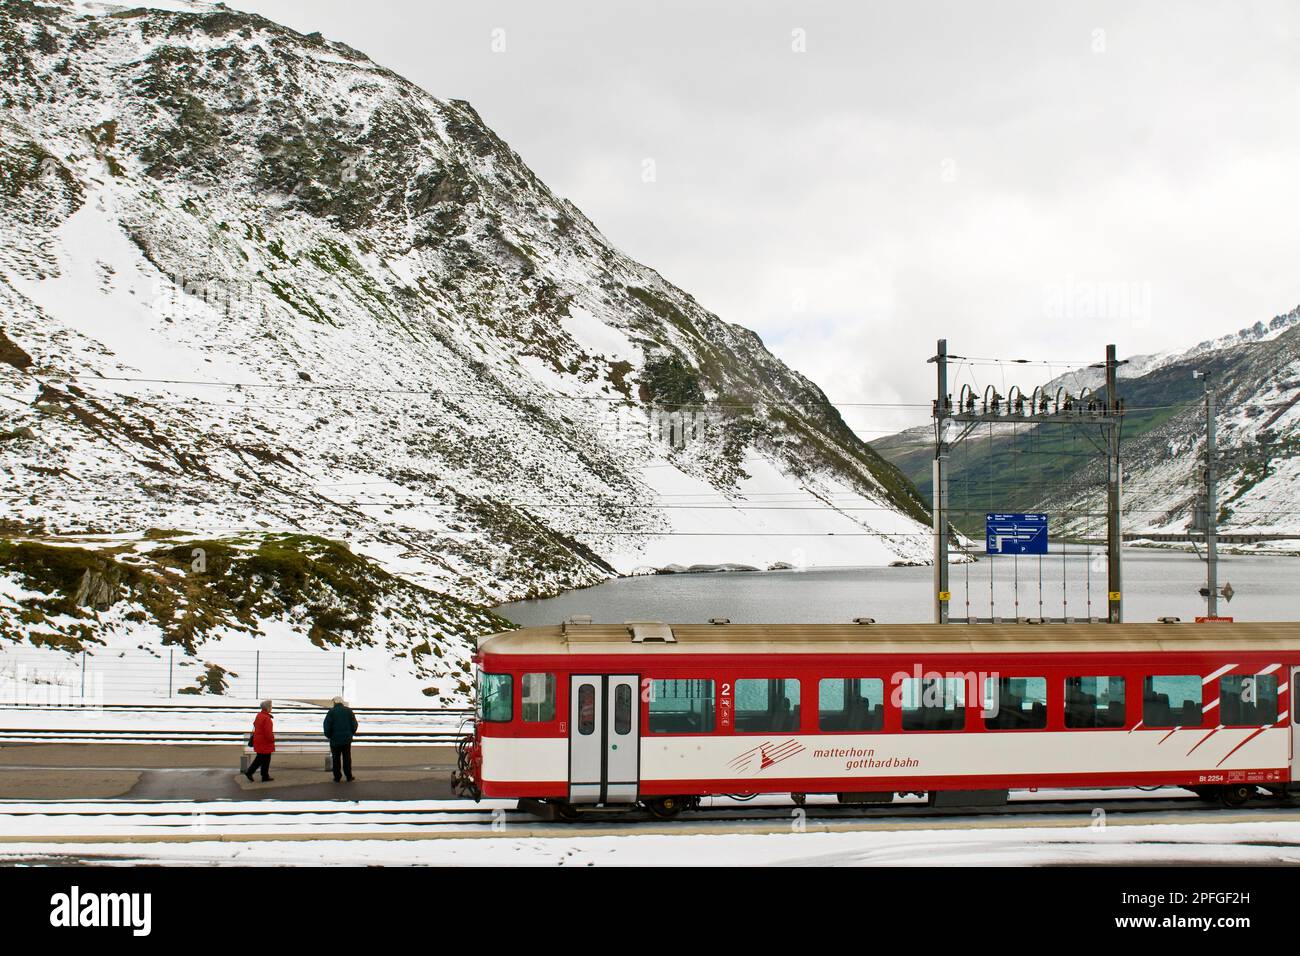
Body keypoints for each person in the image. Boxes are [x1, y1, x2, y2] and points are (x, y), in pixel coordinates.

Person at [323, 696, 358, 782]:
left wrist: (329, 736)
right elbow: (354, 724)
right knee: (347, 758)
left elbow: (327, 726)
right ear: (342, 702)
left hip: (335, 740)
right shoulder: (349, 711)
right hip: (346, 740)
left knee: (336, 759)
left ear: (334, 702)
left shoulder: (331, 712)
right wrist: (350, 734)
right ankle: (349, 776)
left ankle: (337, 777)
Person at [244, 699, 275, 782]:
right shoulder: (266, 718)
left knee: (263, 759)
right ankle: (250, 772)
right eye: (271, 706)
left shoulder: (259, 715)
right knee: (262, 759)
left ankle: (264, 776)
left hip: (259, 740)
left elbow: (255, 725)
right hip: (264, 742)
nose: (271, 708)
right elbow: (268, 733)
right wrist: (272, 739)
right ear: (267, 708)